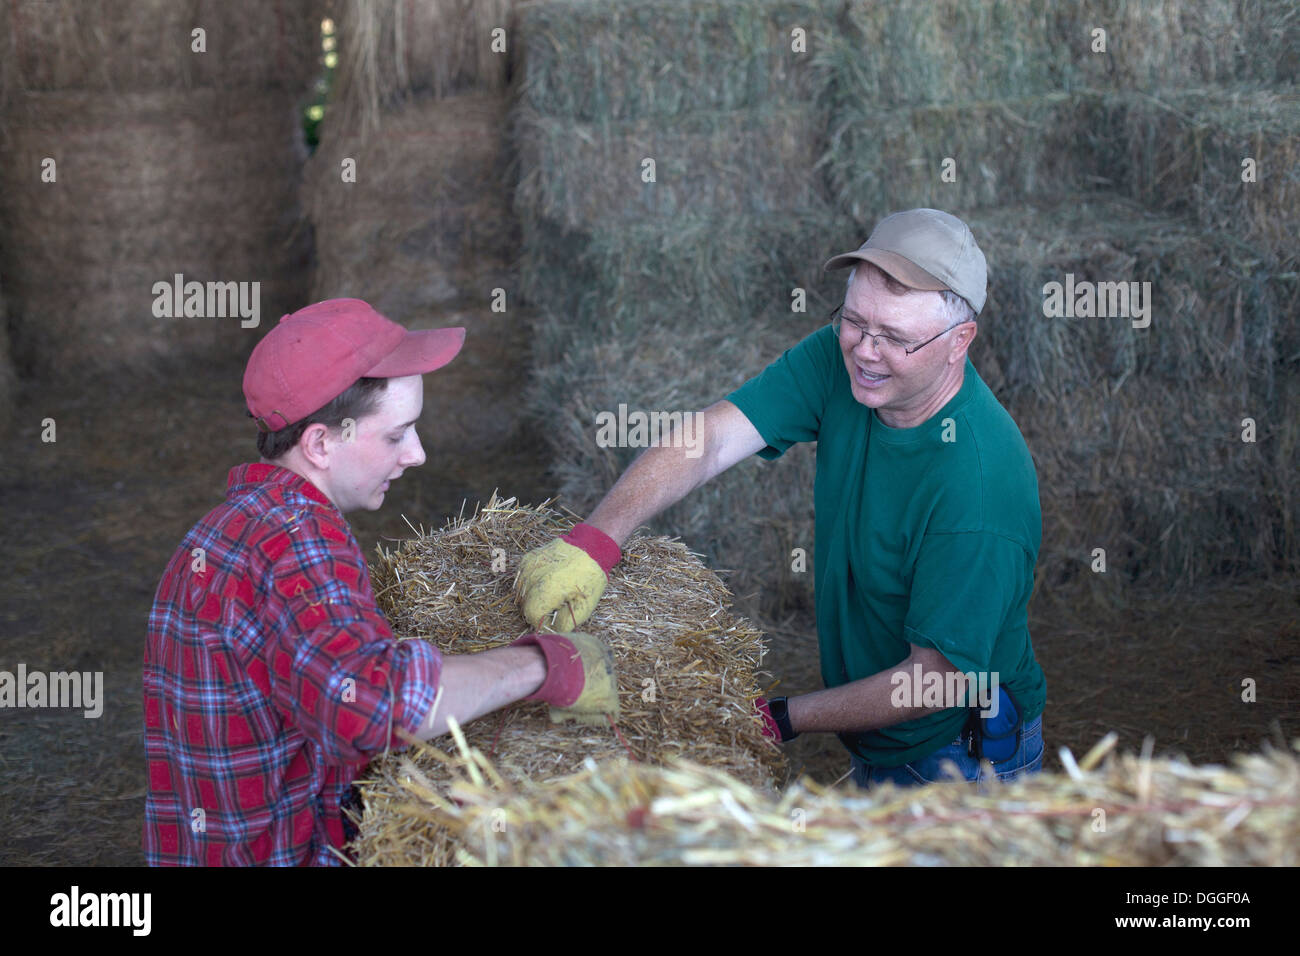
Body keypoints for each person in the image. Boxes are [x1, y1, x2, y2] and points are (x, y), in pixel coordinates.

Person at [516, 209, 1045, 789]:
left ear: (959, 341)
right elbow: (711, 438)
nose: (865, 351)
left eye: (894, 336)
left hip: (956, 758)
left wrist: (785, 716)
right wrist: (594, 541)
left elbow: (934, 681)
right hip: (885, 738)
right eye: (853, 320)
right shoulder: (847, 366)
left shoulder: (978, 490)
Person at [143, 298, 616, 866]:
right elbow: (373, 704)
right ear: (320, 443)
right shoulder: (298, 542)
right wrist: (544, 666)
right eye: (397, 435)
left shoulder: (223, 531)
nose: (417, 454)